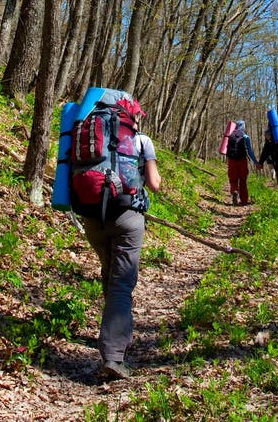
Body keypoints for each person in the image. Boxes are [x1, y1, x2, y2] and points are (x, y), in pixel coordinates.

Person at [80, 94, 161, 381]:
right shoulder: (142, 141)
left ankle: (111, 334)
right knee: (122, 283)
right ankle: (113, 355)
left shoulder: (90, 129)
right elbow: (153, 183)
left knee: (109, 272)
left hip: (91, 217)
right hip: (128, 217)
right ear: (132, 116)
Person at [226, 120, 258, 206]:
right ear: (243, 126)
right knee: (243, 180)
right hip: (242, 161)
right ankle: (244, 201)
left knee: (233, 179)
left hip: (231, 160)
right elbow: (250, 152)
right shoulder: (245, 136)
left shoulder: (230, 135)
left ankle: (234, 191)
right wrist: (256, 162)